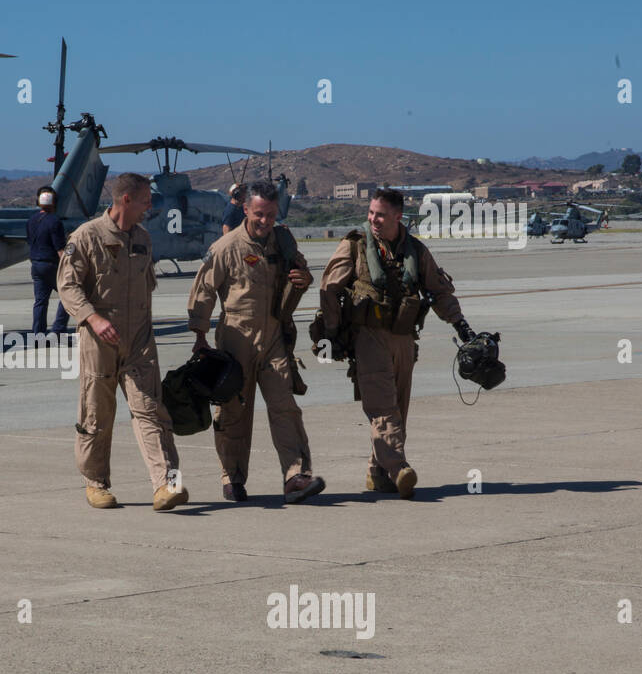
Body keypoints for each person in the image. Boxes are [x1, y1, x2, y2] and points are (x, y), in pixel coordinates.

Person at [319, 188, 476, 499]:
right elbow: (330, 287)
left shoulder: (415, 251)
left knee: (399, 408)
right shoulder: (354, 245)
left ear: (397, 217)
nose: (373, 219)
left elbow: (439, 292)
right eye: (371, 213)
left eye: (380, 214)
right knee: (382, 406)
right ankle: (398, 468)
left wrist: (462, 327)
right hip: (368, 337)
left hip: (404, 338)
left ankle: (377, 472)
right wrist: (332, 332)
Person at [57, 172, 188, 511]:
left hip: (139, 340)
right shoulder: (87, 236)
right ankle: (96, 484)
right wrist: (94, 318)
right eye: (145, 200)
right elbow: (67, 286)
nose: (150, 207)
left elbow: (147, 287)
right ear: (126, 200)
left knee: (153, 412)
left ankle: (169, 485)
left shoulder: (143, 237)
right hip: (99, 341)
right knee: (96, 415)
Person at [188, 181, 324, 504]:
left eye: (271, 215)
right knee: (232, 412)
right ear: (246, 209)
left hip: (274, 337)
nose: (265, 221)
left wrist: (304, 279)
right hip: (235, 339)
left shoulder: (283, 242)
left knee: (284, 407)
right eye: (259, 214)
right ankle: (232, 477)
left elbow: (301, 271)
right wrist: (200, 337)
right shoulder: (226, 247)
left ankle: (295, 476)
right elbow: (203, 291)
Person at [26, 187, 70, 335]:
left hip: (36, 265)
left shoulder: (31, 220)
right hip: (51, 265)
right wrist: (69, 266)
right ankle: (58, 331)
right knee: (68, 294)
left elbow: (30, 241)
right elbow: (60, 249)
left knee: (40, 302)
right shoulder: (55, 221)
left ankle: (38, 335)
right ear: (55, 202)